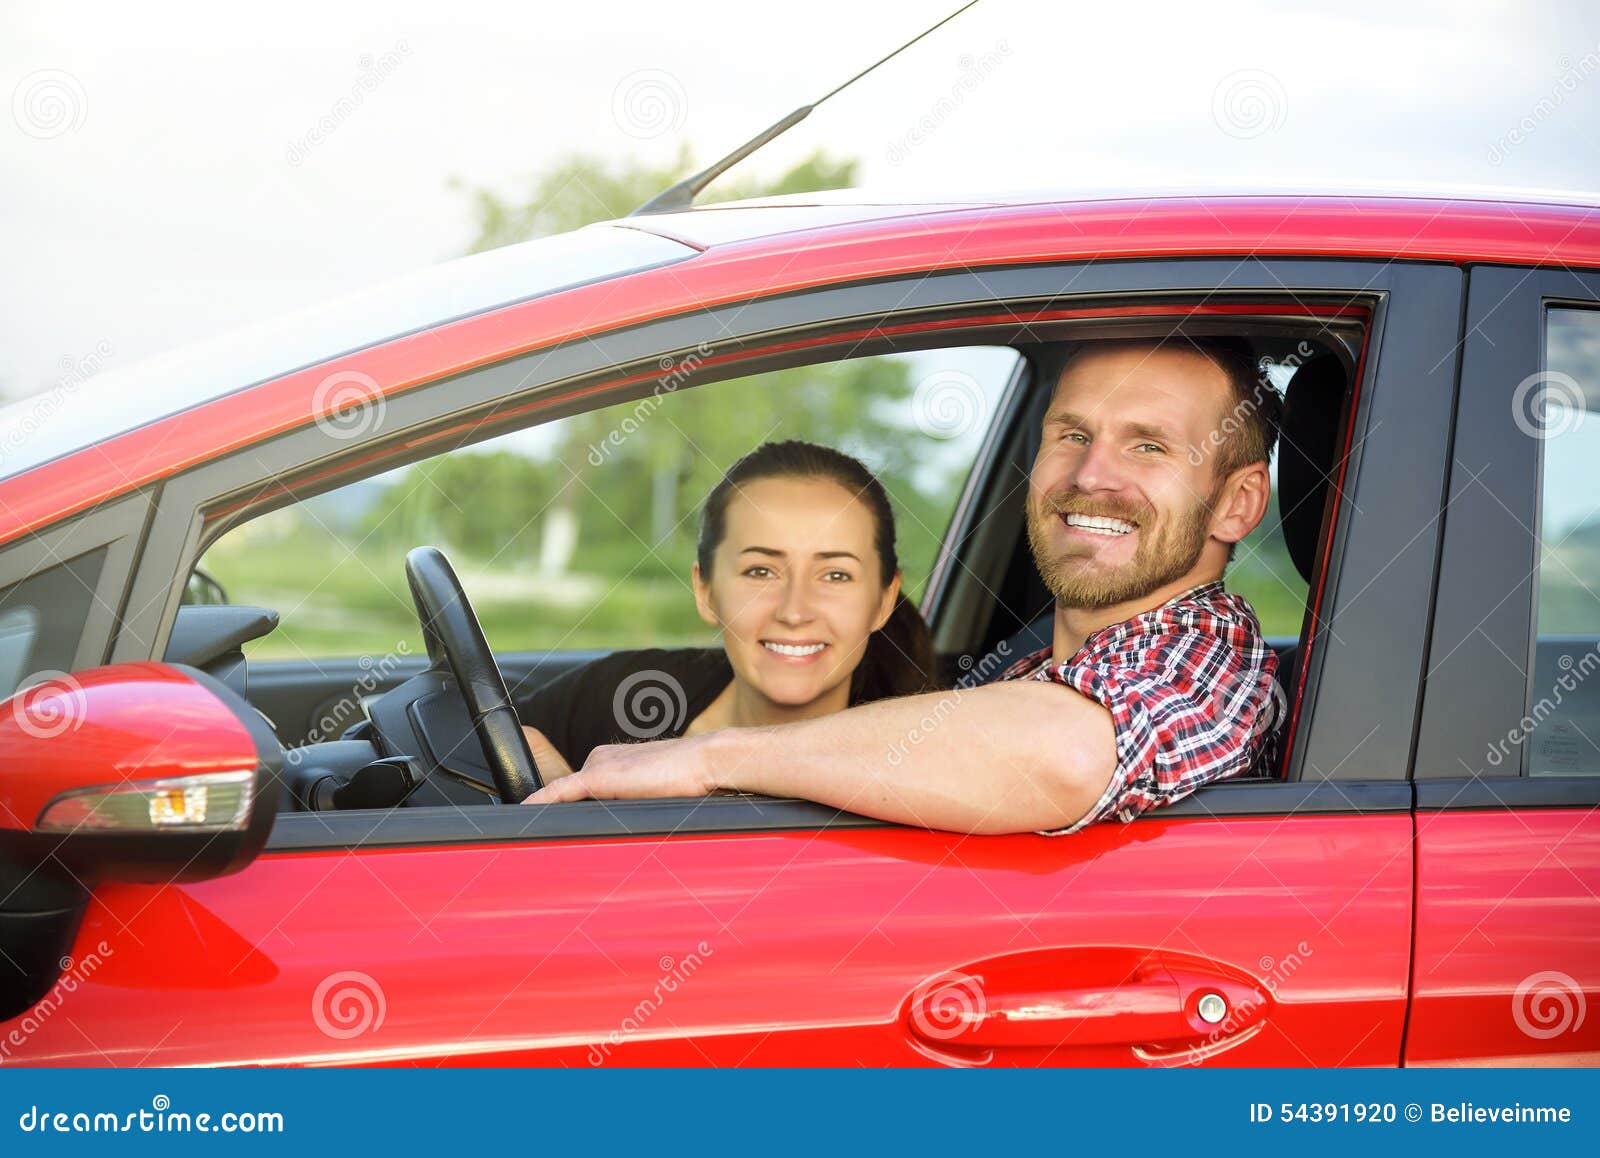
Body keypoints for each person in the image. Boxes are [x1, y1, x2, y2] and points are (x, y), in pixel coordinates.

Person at [523, 337, 1284, 836]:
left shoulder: (1213, 660)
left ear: (1238, 502)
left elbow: (1066, 754)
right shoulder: (1032, 671)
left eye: (1148, 446)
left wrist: (707, 758)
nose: (1090, 477)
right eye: (1073, 436)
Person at [514, 440, 938, 778]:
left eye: (835, 576)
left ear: (883, 600)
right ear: (705, 591)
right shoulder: (629, 693)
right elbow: (474, 744)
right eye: (760, 571)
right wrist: (557, 791)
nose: (794, 611)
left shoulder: (922, 759)